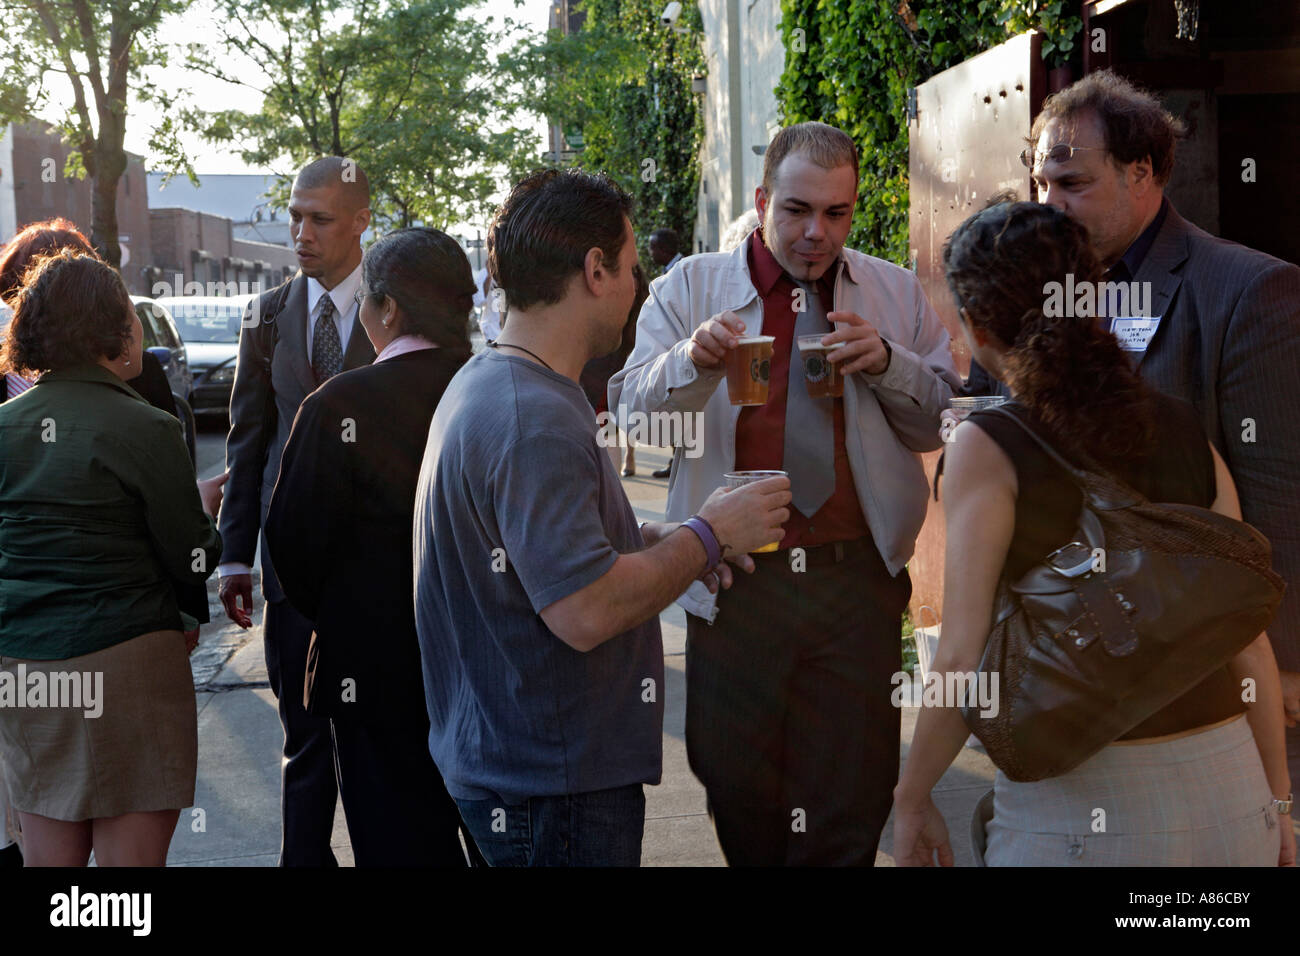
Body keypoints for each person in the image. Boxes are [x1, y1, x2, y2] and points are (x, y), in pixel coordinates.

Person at [894, 200, 1294, 867]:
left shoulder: (989, 445)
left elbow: (961, 657)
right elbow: (1249, 639)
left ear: (976, 328)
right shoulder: (1184, 428)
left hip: (1082, 813)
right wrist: (1277, 807)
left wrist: (911, 795)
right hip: (1232, 795)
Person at [413, 168, 791, 866]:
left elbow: (545, 555)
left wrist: (669, 543)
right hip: (553, 790)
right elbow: (583, 610)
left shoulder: (493, 381)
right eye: (630, 271)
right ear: (594, 270)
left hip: (518, 775)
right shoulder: (534, 418)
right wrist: (710, 533)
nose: (635, 291)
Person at [610, 121, 960, 865]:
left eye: (837, 214)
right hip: (737, 583)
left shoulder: (891, 293)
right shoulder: (691, 287)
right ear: (764, 199)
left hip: (854, 582)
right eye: (798, 210)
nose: (815, 233)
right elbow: (638, 422)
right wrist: (691, 362)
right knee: (736, 783)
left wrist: (890, 364)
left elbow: (943, 425)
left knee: (852, 795)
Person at [966, 71, 1300, 789]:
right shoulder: (1040, 280)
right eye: (1042, 185)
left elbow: (1281, 496)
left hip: (1205, 678)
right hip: (1066, 688)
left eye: (1072, 184)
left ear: (1141, 171)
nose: (1050, 205)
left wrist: (1281, 662)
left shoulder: (1251, 290)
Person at [265, 228, 480, 866]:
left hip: (373, 673)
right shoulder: (499, 388)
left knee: (395, 843)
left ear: (386, 309)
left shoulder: (339, 404)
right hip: (492, 666)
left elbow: (293, 549)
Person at [0, 250, 223, 866]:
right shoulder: (146, 427)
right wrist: (207, 518)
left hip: (25, 670)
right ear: (112, 326)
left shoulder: (5, 425)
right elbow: (192, 558)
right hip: (130, 666)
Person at [219, 156, 377, 867]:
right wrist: (233, 556)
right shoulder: (267, 315)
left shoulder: (399, 305)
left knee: (382, 744)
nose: (300, 233)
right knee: (304, 743)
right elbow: (248, 442)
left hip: (383, 573)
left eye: (319, 219)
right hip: (291, 574)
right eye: (294, 217)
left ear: (361, 223)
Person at [0, 219, 177, 418]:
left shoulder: (139, 367)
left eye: (66, 282)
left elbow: (164, 437)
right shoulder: (133, 363)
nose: (42, 294)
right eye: (29, 284)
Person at [580, 264, 647, 476]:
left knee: (617, 421)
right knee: (605, 426)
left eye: (634, 275)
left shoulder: (645, 310)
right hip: (598, 375)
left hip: (627, 370)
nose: (631, 282)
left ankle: (628, 457)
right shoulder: (602, 303)